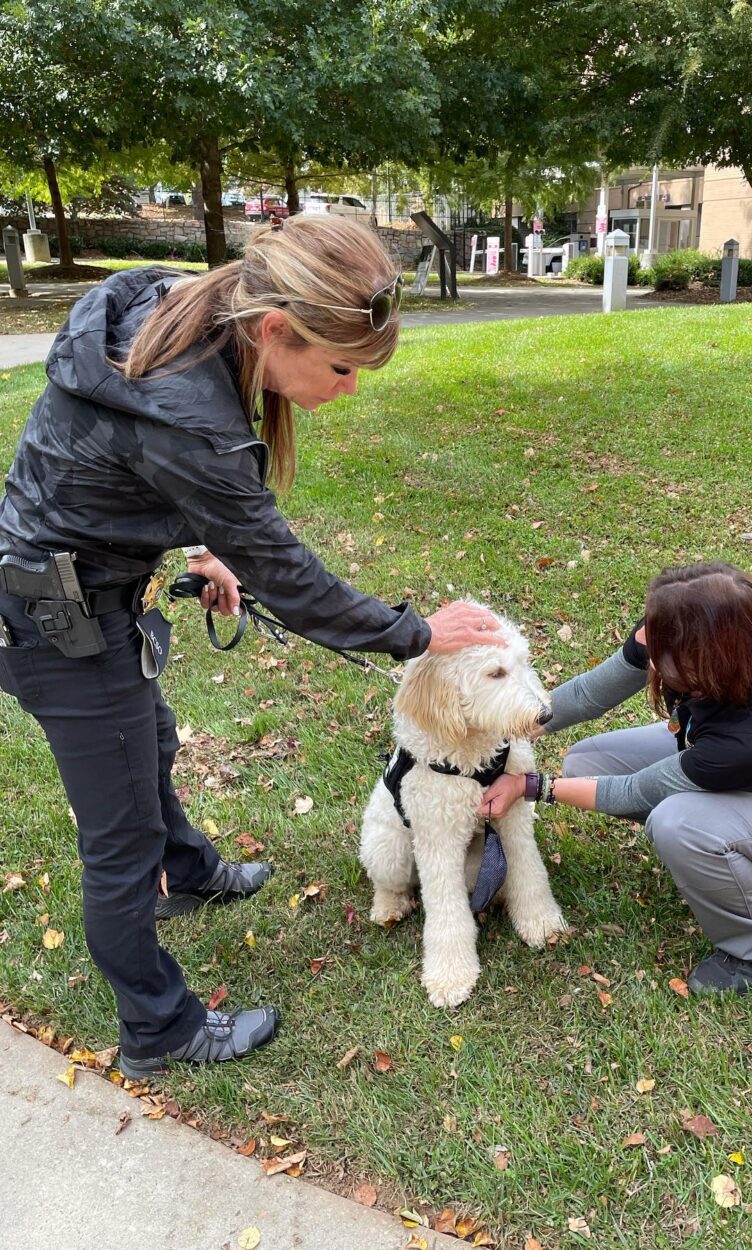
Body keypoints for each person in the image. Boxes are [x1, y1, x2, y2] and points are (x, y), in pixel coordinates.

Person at [0, 215, 502, 1077]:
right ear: (275, 329)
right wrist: (415, 632)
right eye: (340, 366)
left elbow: (125, 458)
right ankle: (158, 1030)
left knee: (149, 745)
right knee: (119, 841)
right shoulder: (196, 418)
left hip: (79, 591)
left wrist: (199, 545)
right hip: (56, 621)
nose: (347, 389)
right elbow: (291, 579)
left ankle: (190, 872)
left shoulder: (185, 307)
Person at [480, 562, 752, 995]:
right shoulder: (692, 625)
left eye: (660, 652)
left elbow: (636, 791)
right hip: (724, 757)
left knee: (676, 822)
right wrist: (506, 722)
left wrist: (528, 786)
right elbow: (591, 693)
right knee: (586, 763)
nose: (648, 651)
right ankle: (720, 854)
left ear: (710, 658)